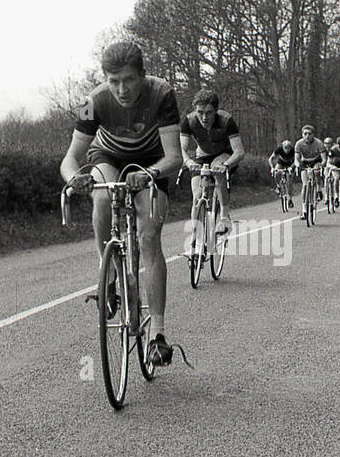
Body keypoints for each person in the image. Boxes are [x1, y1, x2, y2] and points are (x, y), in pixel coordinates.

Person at [60, 39, 182, 368]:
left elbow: (175, 157)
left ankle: (157, 333)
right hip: (108, 155)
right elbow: (70, 159)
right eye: (113, 81)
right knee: (102, 194)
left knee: (149, 235)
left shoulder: (162, 93)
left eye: (128, 79)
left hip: (153, 159)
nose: (122, 89)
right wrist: (74, 179)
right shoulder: (92, 101)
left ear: (142, 75)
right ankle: (110, 277)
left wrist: (150, 175)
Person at [179, 90, 245, 236]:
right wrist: (188, 162)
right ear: (194, 110)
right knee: (197, 195)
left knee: (217, 168)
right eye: (200, 112)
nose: (204, 117)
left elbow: (239, 152)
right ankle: (195, 238)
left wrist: (226, 165)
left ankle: (224, 217)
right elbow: (181, 149)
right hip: (202, 155)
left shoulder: (226, 120)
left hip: (225, 154)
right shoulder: (189, 121)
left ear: (216, 110)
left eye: (209, 112)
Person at [294, 124, 326, 219]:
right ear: (302, 134)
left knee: (316, 172)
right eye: (305, 134)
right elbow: (296, 158)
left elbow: (324, 159)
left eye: (309, 133)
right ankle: (304, 210)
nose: (307, 136)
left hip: (316, 161)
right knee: (304, 184)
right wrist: (297, 165)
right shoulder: (299, 144)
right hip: (305, 162)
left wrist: (321, 166)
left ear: (313, 135)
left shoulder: (319, 143)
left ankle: (319, 189)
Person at [269, 138, 297, 207]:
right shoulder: (279, 149)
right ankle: (278, 186)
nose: (287, 150)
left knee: (289, 183)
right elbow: (270, 159)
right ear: (282, 147)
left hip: (291, 163)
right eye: (285, 148)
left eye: (289, 148)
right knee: (276, 172)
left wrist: (292, 167)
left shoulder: (293, 150)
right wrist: (272, 168)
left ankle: (290, 199)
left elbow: (296, 160)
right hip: (281, 162)